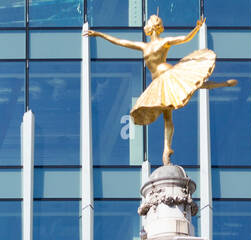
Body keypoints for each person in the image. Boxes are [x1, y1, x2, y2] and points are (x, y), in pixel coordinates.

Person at [84, 14, 236, 166]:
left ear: (151, 27)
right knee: (168, 115)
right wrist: (99, 34)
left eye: (148, 24)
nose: (147, 27)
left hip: (167, 74)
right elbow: (121, 42)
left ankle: (224, 84)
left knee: (193, 85)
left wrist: (196, 28)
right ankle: (167, 149)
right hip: (157, 82)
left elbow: (184, 39)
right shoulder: (144, 46)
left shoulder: (165, 42)